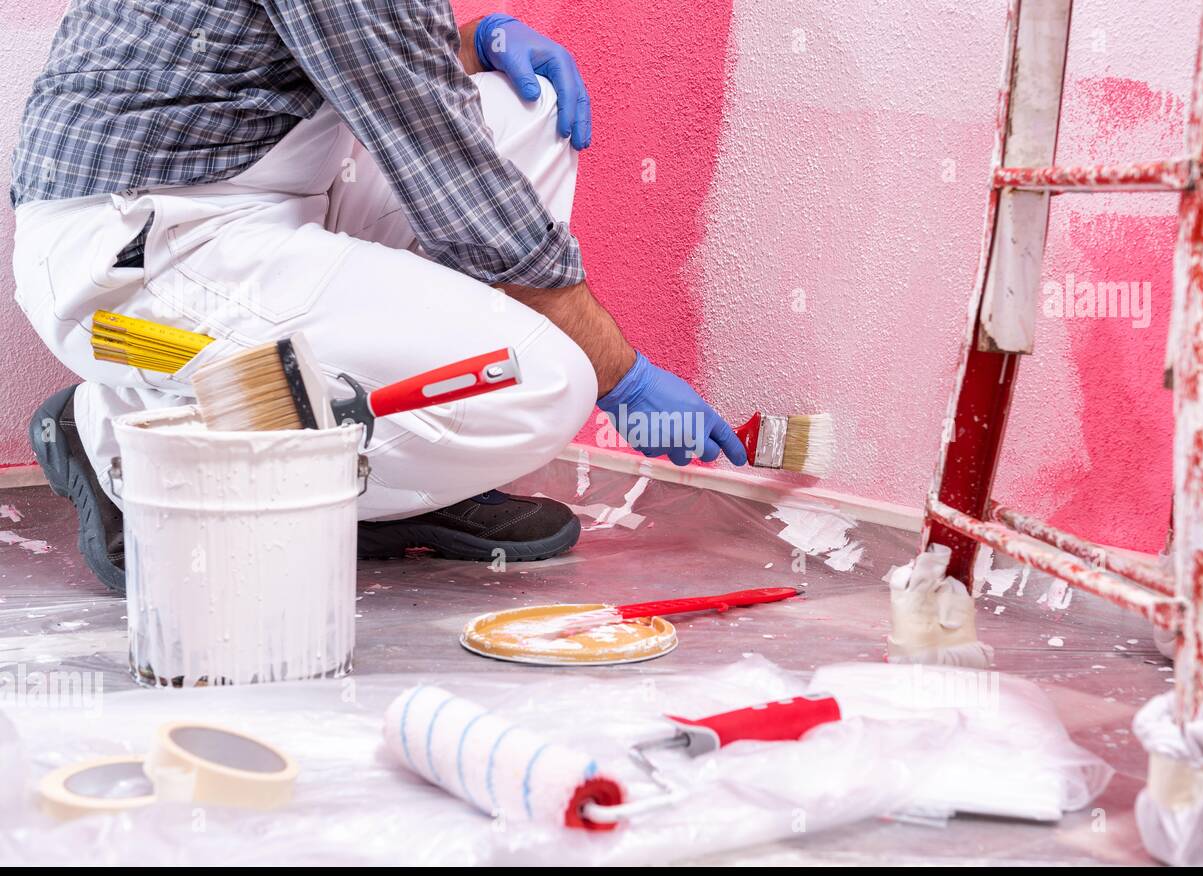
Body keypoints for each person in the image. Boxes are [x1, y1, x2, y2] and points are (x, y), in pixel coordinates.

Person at [9, 2, 746, 593]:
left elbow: (343, 56)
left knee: (524, 105)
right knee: (549, 383)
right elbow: (458, 186)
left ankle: (413, 485)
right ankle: (121, 441)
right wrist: (623, 377)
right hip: (144, 252)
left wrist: (474, 39)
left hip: (247, 203)